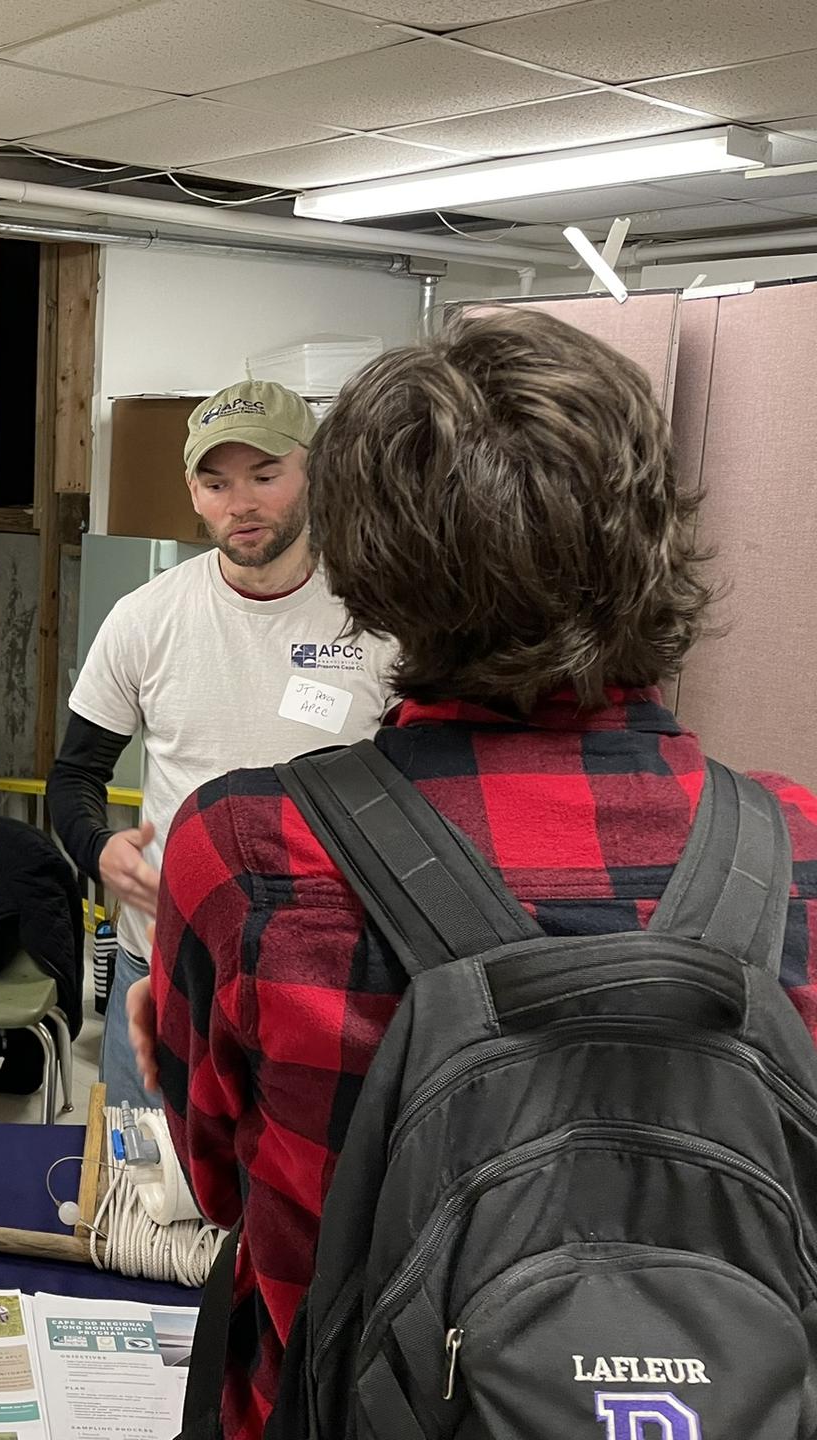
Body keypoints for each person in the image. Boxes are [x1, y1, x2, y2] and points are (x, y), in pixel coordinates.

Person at [132, 309, 817, 1440]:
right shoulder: (793, 850)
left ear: (363, 558)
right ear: (654, 530)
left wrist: (184, 1033)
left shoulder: (249, 848)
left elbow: (219, 1193)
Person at [47, 379, 395, 1110]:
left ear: (316, 470)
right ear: (194, 490)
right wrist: (99, 848)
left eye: (265, 476)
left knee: (295, 1204)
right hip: (167, 970)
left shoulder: (381, 618)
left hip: (323, 983)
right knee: (138, 1198)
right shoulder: (146, 618)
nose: (240, 503)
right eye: (216, 483)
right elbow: (75, 774)